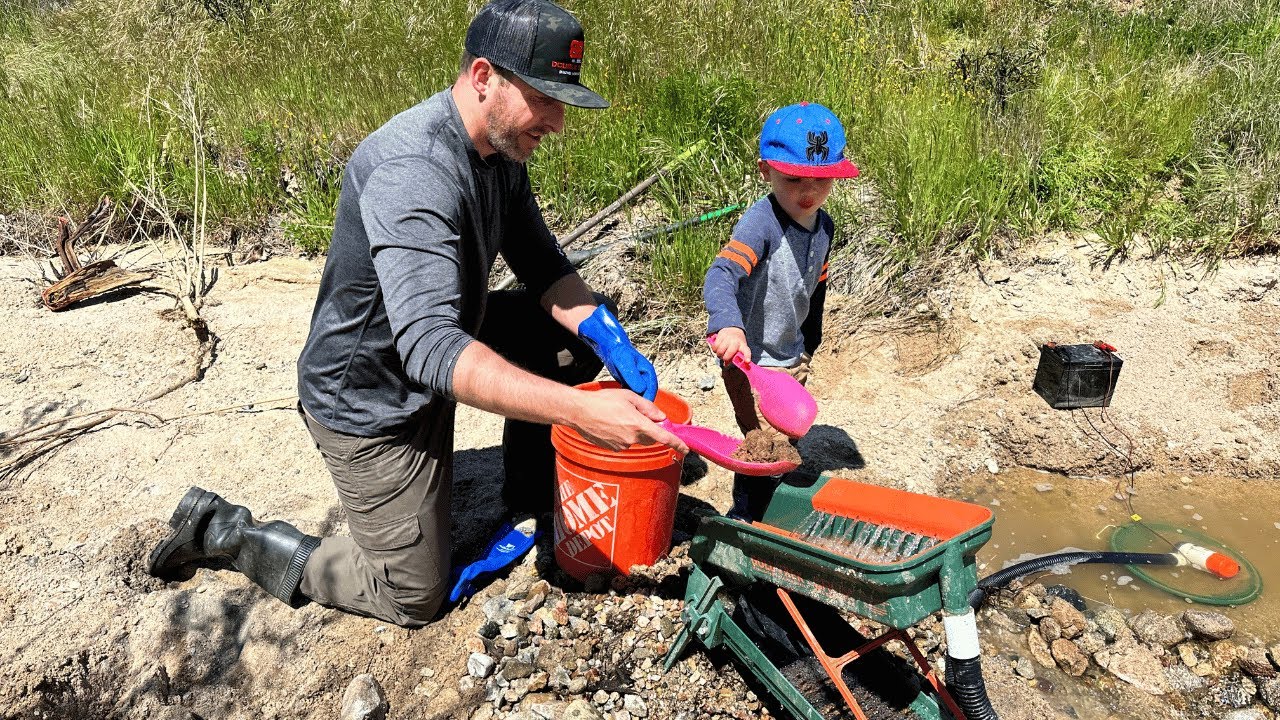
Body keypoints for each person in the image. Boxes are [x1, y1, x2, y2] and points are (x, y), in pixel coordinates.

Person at [147, 0, 686, 627]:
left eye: (563, 101)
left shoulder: (502, 149)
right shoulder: (415, 170)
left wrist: (610, 336)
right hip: (373, 398)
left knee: (569, 341)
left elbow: (544, 268)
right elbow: (429, 348)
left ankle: (534, 494)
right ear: (485, 77)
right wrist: (582, 409)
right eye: (545, 96)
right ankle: (226, 532)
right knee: (412, 594)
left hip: (445, 343)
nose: (558, 121)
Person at [703, 101, 859, 522]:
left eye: (822, 181)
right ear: (765, 172)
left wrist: (811, 343)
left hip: (791, 353)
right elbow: (721, 274)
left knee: (788, 436)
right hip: (749, 357)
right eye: (793, 179)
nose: (808, 192)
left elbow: (817, 289)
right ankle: (748, 519)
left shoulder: (823, 227)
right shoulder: (762, 225)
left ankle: (774, 508)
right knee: (760, 443)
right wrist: (727, 324)